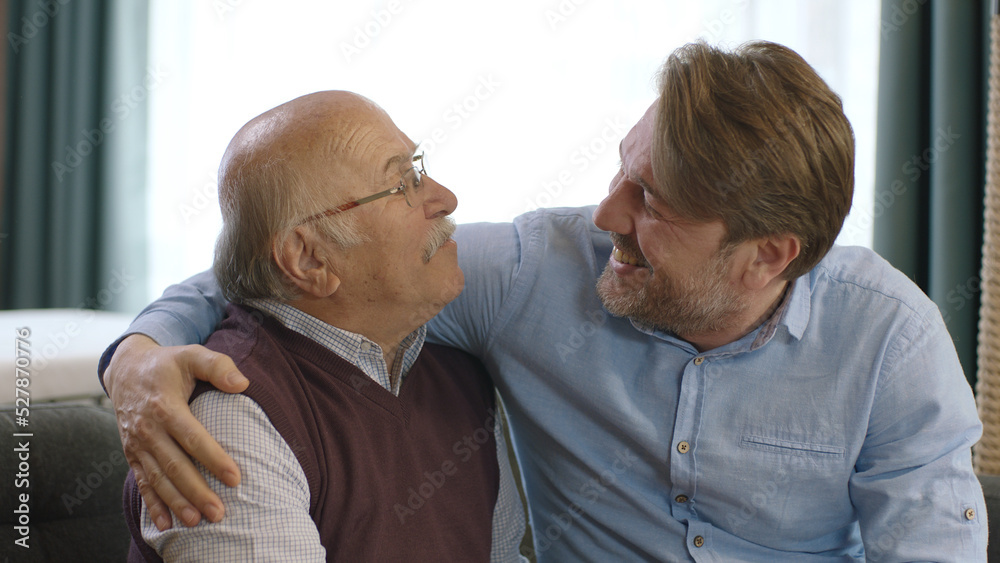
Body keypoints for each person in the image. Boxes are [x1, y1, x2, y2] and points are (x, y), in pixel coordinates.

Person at [102, 41, 987, 561]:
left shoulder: (889, 342)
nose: (607, 216)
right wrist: (136, 359)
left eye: (653, 204)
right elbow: (267, 275)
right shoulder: (534, 271)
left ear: (768, 257)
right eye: (621, 173)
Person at [118, 90, 526, 562]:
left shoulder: (458, 373)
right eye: (402, 184)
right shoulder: (235, 418)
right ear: (309, 258)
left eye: (419, 168)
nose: (447, 199)